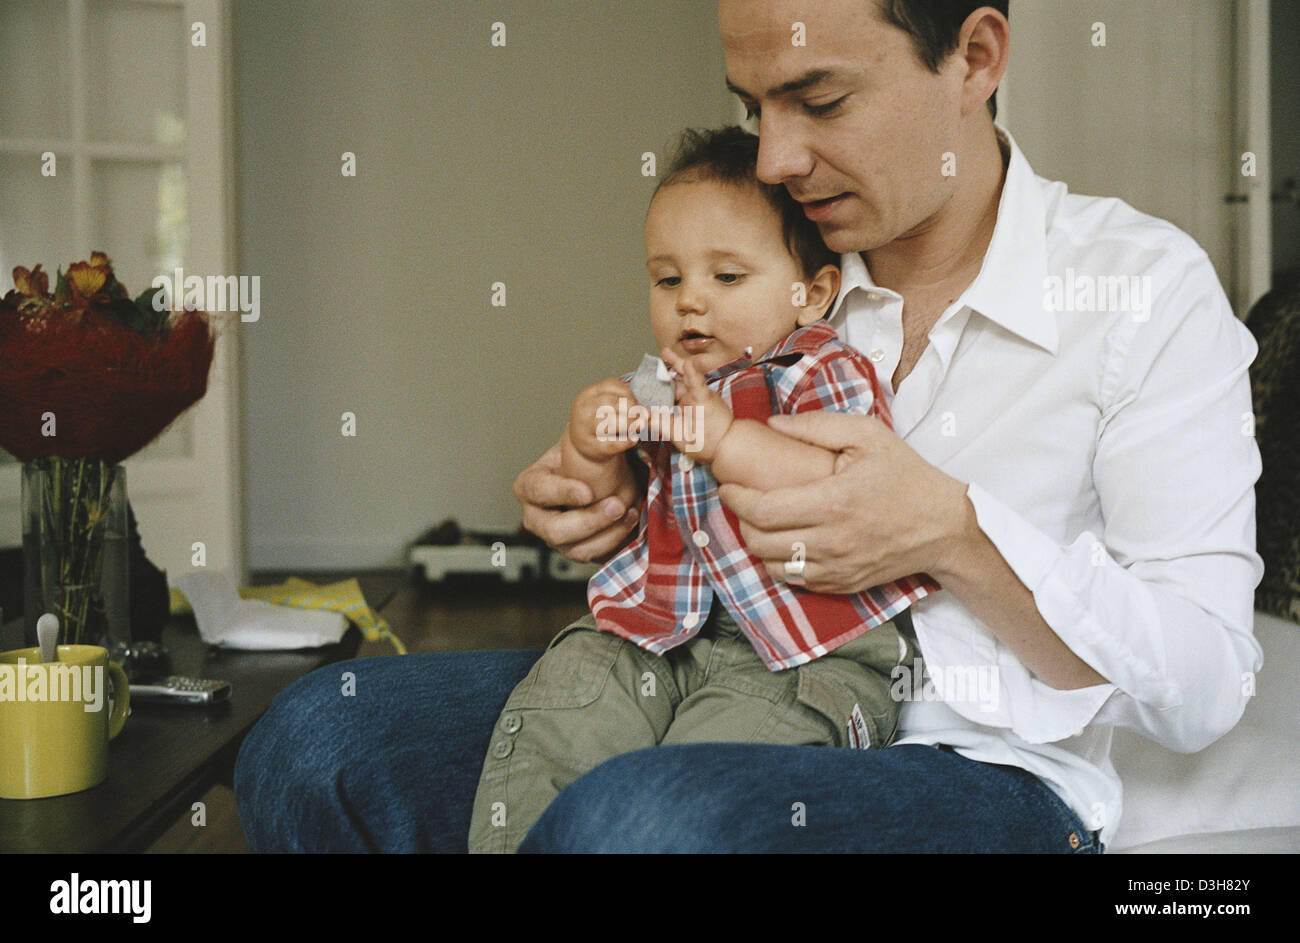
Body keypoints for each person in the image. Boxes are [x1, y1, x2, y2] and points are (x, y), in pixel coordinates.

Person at [234, 0, 1262, 853]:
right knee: (321, 734)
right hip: (693, 661)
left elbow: (1205, 680)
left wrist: (951, 533)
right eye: (751, 106)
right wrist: (607, 483)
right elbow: (661, 437)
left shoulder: (1138, 291)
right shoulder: (768, 257)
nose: (773, 158)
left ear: (975, 59)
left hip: (978, 765)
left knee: (645, 820)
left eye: (818, 101)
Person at [467, 126, 937, 853]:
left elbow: (840, 487)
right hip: (655, 632)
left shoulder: (822, 371)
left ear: (812, 293)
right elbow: (603, 502)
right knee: (560, 713)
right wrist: (590, 444)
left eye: (726, 278)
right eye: (668, 279)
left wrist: (727, 440)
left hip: (803, 653)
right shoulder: (659, 384)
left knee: (699, 782)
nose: (691, 303)